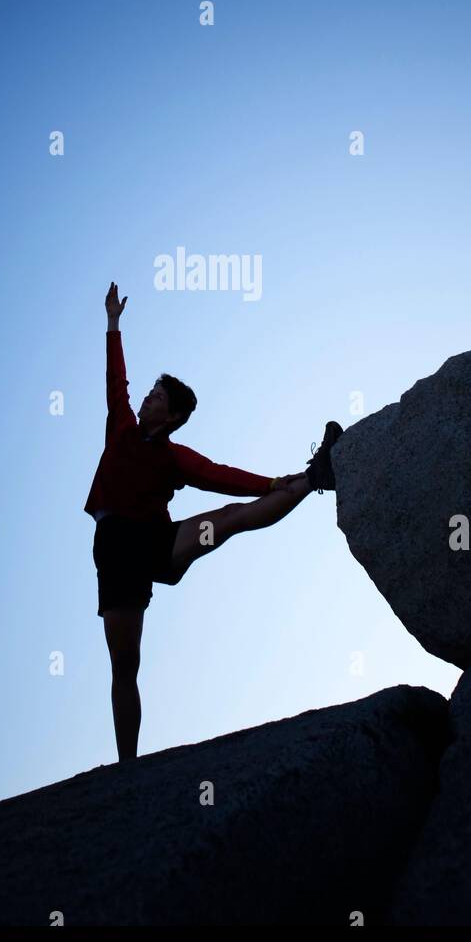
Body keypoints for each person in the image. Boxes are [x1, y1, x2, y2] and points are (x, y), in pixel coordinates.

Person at [86, 281, 343, 760]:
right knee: (125, 665)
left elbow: (219, 476)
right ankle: (128, 769)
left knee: (228, 519)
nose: (147, 396)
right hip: (117, 550)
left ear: (174, 414)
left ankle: (313, 478)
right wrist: (113, 324)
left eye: (157, 394)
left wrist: (269, 483)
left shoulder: (175, 457)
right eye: (150, 390)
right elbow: (114, 379)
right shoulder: (121, 424)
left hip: (158, 542)